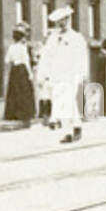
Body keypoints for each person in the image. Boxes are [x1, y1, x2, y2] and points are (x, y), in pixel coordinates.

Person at [41, 7, 89, 143]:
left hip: (71, 75)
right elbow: (46, 57)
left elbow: (82, 57)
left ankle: (67, 132)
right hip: (56, 75)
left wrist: (81, 74)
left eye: (63, 20)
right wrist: (44, 74)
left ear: (68, 20)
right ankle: (77, 125)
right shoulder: (52, 38)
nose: (61, 24)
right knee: (61, 100)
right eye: (58, 21)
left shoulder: (76, 38)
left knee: (65, 101)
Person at [3, 24, 36, 126]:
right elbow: (26, 61)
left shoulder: (11, 47)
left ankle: (12, 113)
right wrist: (30, 74)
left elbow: (7, 60)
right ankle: (25, 113)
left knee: (14, 91)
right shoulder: (22, 48)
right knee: (24, 91)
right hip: (22, 70)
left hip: (14, 70)